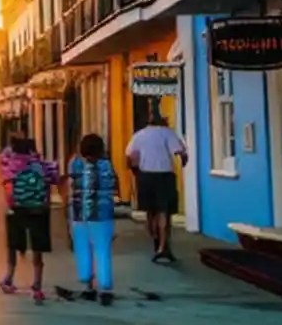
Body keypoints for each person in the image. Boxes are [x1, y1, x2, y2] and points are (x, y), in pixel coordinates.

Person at [59, 134, 119, 306]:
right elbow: (113, 185)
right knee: (102, 251)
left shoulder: (75, 163)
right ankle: (105, 289)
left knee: (83, 250)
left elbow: (68, 187)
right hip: (103, 214)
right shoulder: (106, 165)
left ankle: (88, 286)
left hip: (79, 214)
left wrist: (67, 211)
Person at [0, 135, 58, 304]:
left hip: (17, 208)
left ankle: (9, 277)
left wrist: (11, 203)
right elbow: (53, 177)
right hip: (39, 209)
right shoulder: (40, 165)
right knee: (37, 246)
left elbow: (7, 185)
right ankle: (37, 284)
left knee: (13, 243)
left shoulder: (10, 164)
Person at [126, 112, 187, 263]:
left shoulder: (139, 135)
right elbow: (180, 152)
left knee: (150, 211)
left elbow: (130, 156)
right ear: (163, 122)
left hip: (146, 175)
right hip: (164, 175)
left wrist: (134, 171)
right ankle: (162, 246)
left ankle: (154, 237)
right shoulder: (168, 133)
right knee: (164, 211)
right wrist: (184, 162)